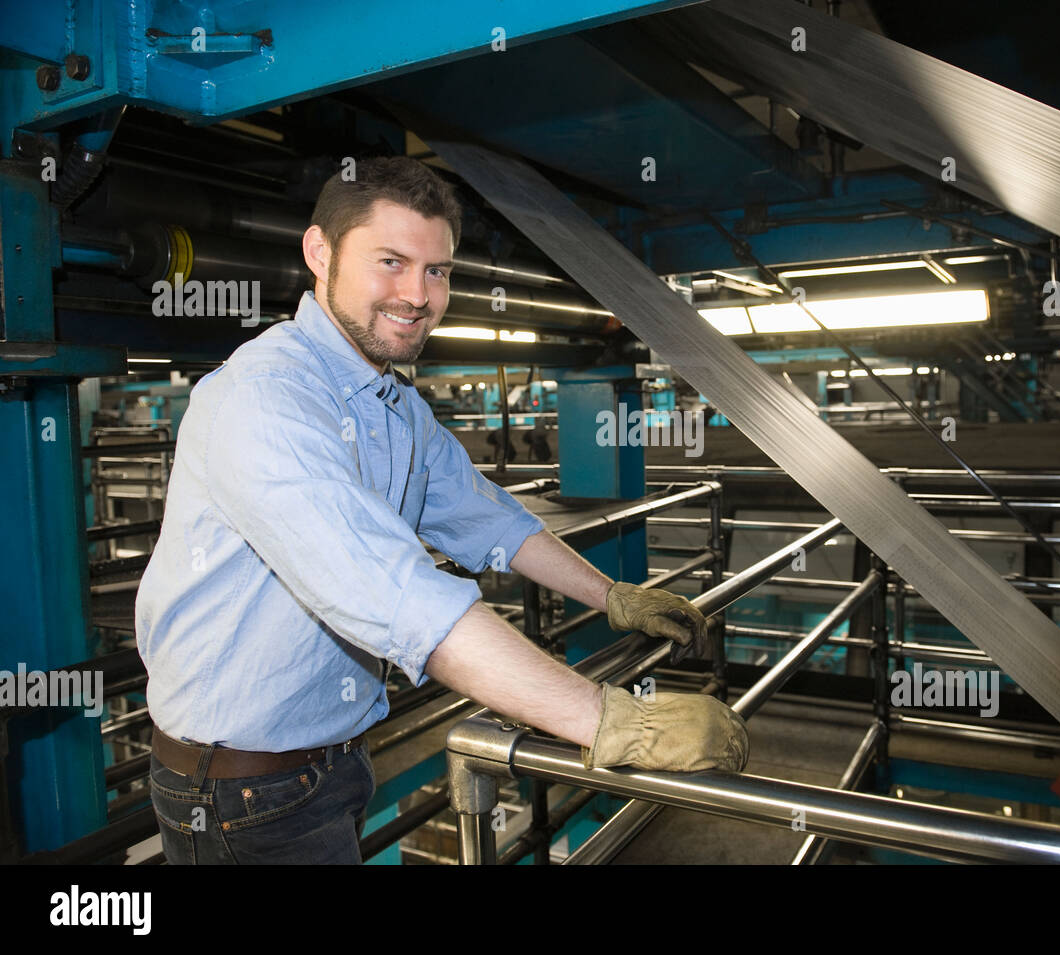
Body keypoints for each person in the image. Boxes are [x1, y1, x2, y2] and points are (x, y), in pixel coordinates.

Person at [135, 156, 748, 865]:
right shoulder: (265, 398)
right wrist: (610, 719)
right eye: (391, 261)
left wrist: (609, 594)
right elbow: (395, 593)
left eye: (439, 270)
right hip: (242, 794)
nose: (418, 293)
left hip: (324, 767)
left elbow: (488, 517)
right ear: (319, 252)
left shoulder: (396, 405)